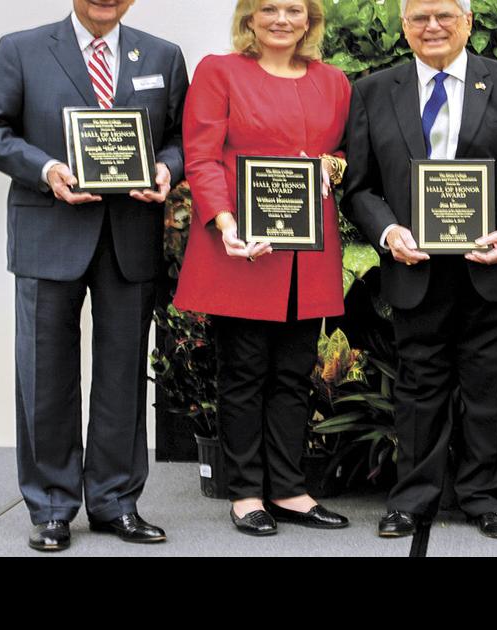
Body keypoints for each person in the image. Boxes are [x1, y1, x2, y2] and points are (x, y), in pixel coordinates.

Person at [0, 0, 187, 552]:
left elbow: (182, 138)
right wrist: (46, 170)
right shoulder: (20, 49)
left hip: (130, 237)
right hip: (49, 231)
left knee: (122, 373)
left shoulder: (162, 55)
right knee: (44, 375)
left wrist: (166, 167)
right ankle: (51, 506)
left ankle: (116, 502)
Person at [341, 0, 497, 540]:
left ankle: (488, 498)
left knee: (494, 386)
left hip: (496, 266)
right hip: (415, 268)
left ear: (468, 24)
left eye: (444, 16)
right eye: (419, 18)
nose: (432, 27)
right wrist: (389, 234)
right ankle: (412, 499)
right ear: (404, 28)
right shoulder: (372, 90)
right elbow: (360, 187)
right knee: (418, 388)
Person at [172, 0, 351, 536]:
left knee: (295, 376)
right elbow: (201, 155)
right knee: (244, 373)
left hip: (307, 254)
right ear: (249, 18)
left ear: (309, 20)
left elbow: (340, 153)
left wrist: (330, 166)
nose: (281, 18)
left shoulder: (335, 82)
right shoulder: (219, 71)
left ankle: (291, 489)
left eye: (293, 9)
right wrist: (224, 223)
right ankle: (247, 493)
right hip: (240, 249)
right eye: (267, 8)